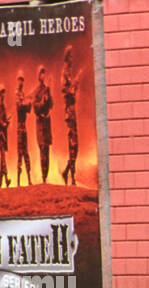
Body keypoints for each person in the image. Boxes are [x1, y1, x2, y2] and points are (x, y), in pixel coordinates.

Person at [61, 46, 80, 185]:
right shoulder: (65, 73)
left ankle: (67, 171)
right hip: (69, 112)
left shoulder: (69, 73)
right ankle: (71, 177)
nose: (73, 59)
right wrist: (74, 85)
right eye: (71, 56)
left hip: (73, 111)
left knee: (76, 145)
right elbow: (65, 90)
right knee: (72, 144)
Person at [33, 66, 54, 183]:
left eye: (44, 74)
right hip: (40, 123)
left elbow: (51, 104)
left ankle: (46, 175)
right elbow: (35, 107)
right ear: (38, 76)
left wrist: (48, 96)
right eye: (41, 74)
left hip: (47, 122)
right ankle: (43, 177)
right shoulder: (36, 91)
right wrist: (42, 102)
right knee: (42, 149)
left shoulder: (47, 89)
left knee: (47, 150)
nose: (43, 76)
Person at [14, 73, 33, 187]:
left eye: (22, 80)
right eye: (20, 80)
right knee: (20, 154)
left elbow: (27, 110)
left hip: (24, 126)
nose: (21, 82)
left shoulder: (23, 94)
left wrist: (29, 102)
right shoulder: (17, 94)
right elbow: (20, 106)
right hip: (19, 126)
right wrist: (26, 102)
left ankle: (29, 179)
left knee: (26, 153)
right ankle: (18, 181)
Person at [0, 86, 10, 188]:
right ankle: (6, 178)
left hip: (3, 134)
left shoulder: (3, 105)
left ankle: (0, 182)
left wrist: (6, 122)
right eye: (2, 93)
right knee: (3, 156)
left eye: (4, 93)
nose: (4, 95)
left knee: (2, 159)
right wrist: (3, 124)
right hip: (0, 135)